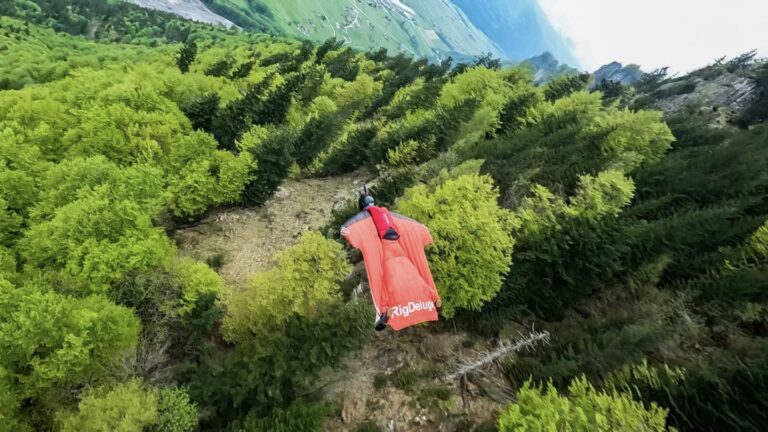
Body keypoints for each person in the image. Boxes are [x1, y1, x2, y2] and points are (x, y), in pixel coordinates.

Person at [340, 189, 442, 331]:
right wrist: (422, 228)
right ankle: (432, 301)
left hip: (386, 257)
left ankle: (383, 313)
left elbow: (345, 229)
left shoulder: (365, 217)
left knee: (382, 284)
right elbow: (416, 226)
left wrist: (344, 230)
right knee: (416, 279)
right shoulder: (390, 216)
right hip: (401, 253)